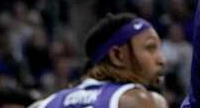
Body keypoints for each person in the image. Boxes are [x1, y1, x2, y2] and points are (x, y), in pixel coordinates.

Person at [29, 14, 165, 108]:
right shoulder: (140, 100)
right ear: (117, 55)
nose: (161, 60)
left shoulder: (43, 104)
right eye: (150, 48)